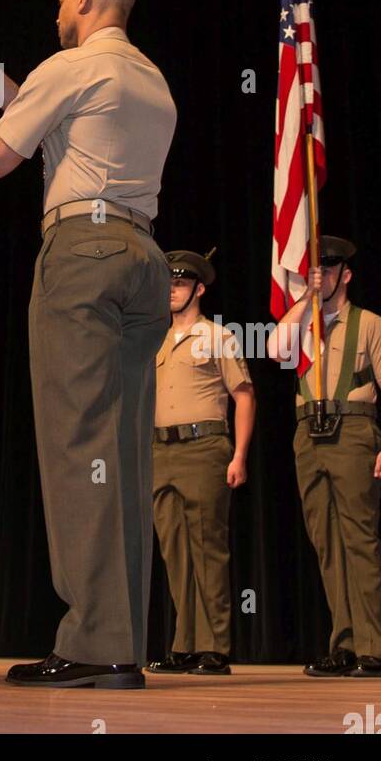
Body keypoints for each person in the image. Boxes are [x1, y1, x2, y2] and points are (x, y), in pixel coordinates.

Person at [0, 0, 176, 689]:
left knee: (78, 443)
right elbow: (60, 135)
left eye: (57, 1)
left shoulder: (70, 66)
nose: (53, 15)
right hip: (143, 259)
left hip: (82, 254)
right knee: (123, 453)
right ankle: (122, 640)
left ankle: (92, 645)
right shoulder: (152, 79)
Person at [267, 236, 381, 678]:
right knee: (326, 544)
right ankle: (346, 643)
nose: (323, 275)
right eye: (317, 270)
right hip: (308, 436)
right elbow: (275, 350)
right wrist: (307, 297)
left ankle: (373, 645)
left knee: (360, 539)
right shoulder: (304, 326)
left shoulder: (370, 324)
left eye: (331, 270)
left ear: (347, 275)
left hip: (353, 431)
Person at [147, 250, 255, 676]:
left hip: (204, 447)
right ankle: (185, 645)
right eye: (169, 282)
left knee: (208, 549)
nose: (172, 290)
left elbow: (244, 394)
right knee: (175, 552)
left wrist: (240, 455)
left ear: (199, 288)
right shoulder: (153, 336)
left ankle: (215, 646)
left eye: (180, 283)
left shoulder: (218, 336)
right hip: (160, 451)